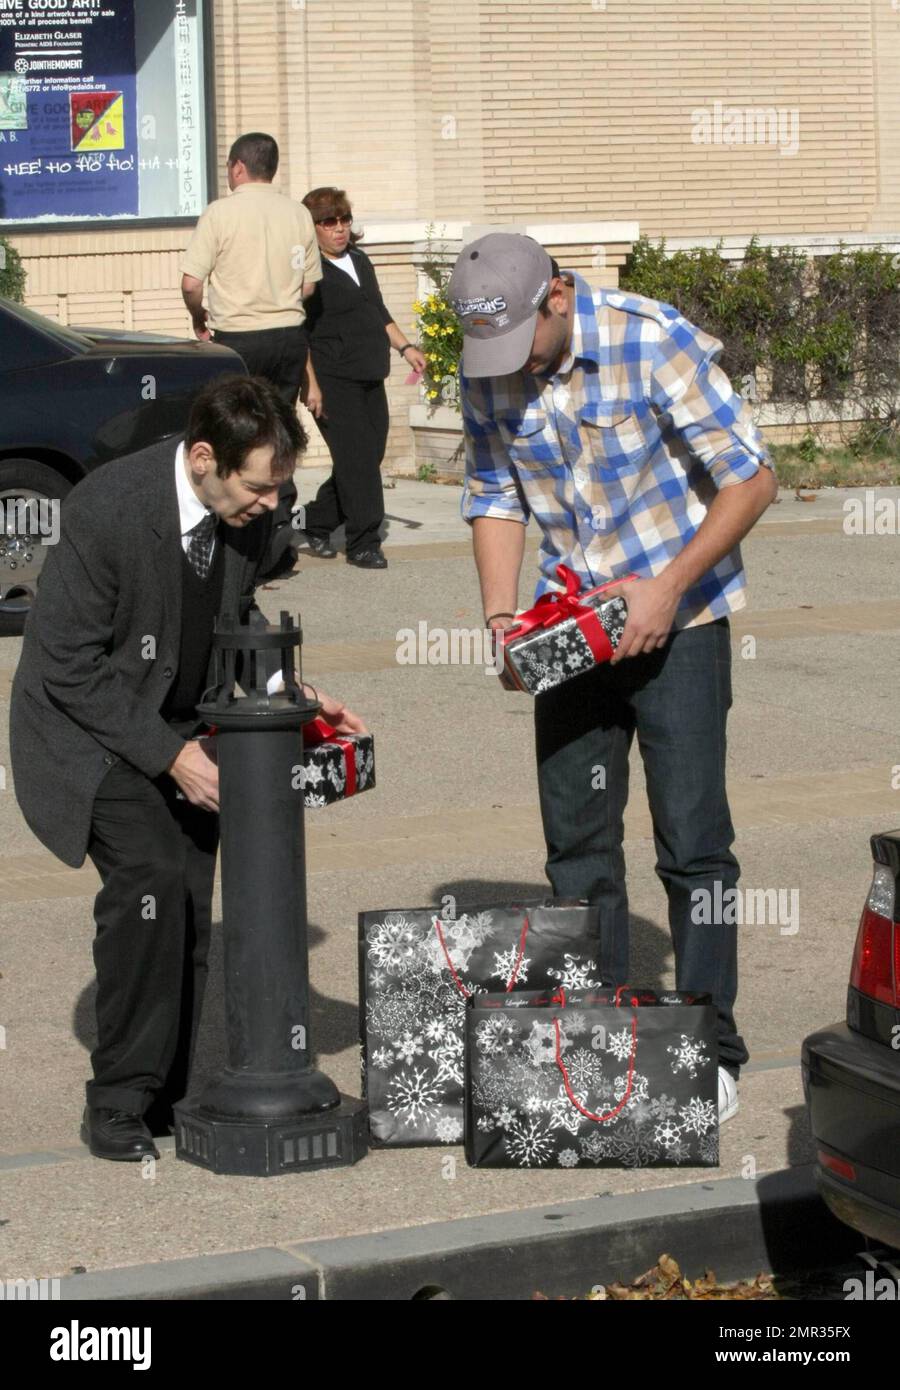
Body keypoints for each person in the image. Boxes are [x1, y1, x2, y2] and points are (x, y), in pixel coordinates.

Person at [449, 233, 779, 1123]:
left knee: (694, 846)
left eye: (520, 341)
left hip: (681, 621)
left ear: (557, 295)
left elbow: (751, 477)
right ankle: (599, 1042)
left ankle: (712, 1049)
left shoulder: (649, 336)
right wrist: (502, 620)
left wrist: (668, 587)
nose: (505, 367)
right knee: (577, 846)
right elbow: (492, 493)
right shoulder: (487, 367)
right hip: (569, 631)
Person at [9, 375, 366, 1162]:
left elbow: (234, 623)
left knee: (189, 902)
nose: (273, 506)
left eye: (283, 487)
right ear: (204, 458)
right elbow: (66, 666)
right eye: (259, 486)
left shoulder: (244, 516)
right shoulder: (109, 509)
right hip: (85, 733)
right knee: (150, 883)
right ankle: (117, 1104)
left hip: (180, 722)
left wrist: (296, 699)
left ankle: (173, 1096)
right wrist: (171, 757)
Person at [181, 132, 323, 576]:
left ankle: (234, 543)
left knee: (234, 436)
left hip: (237, 338)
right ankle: (276, 543)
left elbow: (191, 282)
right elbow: (309, 286)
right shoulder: (298, 213)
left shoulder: (220, 213)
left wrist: (198, 318)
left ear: (238, 167)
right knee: (278, 434)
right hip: (286, 337)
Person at [294, 186, 426, 569]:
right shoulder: (308, 272)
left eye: (344, 220)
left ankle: (315, 522)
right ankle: (364, 542)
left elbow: (378, 310)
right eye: (328, 221)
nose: (339, 228)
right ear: (312, 227)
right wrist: (311, 383)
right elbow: (298, 329)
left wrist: (406, 348)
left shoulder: (360, 260)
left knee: (367, 456)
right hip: (333, 377)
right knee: (357, 460)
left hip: (370, 372)